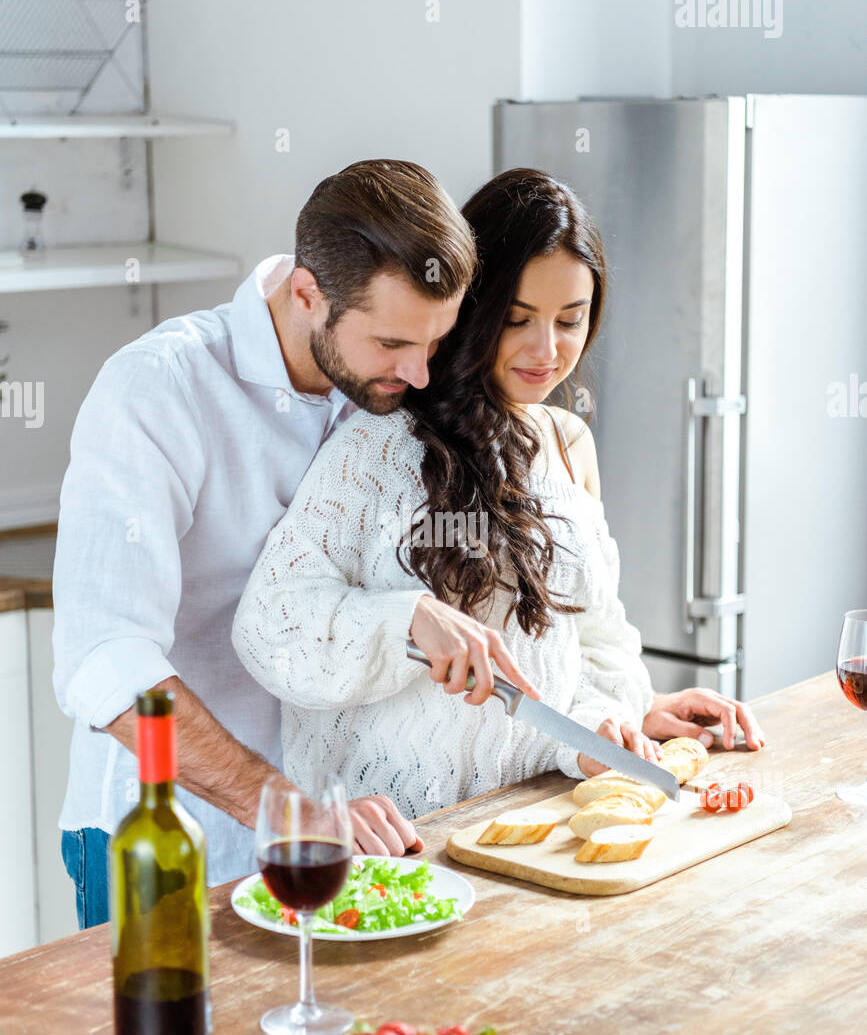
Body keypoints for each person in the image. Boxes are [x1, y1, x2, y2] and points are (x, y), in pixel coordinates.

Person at [232, 169, 764, 817]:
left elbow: (593, 639)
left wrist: (599, 722)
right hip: (395, 840)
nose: (547, 350)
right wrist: (404, 620)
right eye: (517, 320)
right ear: (468, 311)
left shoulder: (567, 446)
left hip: (532, 824)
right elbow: (269, 628)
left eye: (571, 320)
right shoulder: (373, 448)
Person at [53, 158, 498, 928]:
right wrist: (286, 808)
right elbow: (103, 657)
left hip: (338, 831)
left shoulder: (383, 394)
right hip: (171, 839)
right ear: (305, 294)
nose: (420, 373)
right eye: (393, 341)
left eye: (434, 341)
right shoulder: (159, 390)